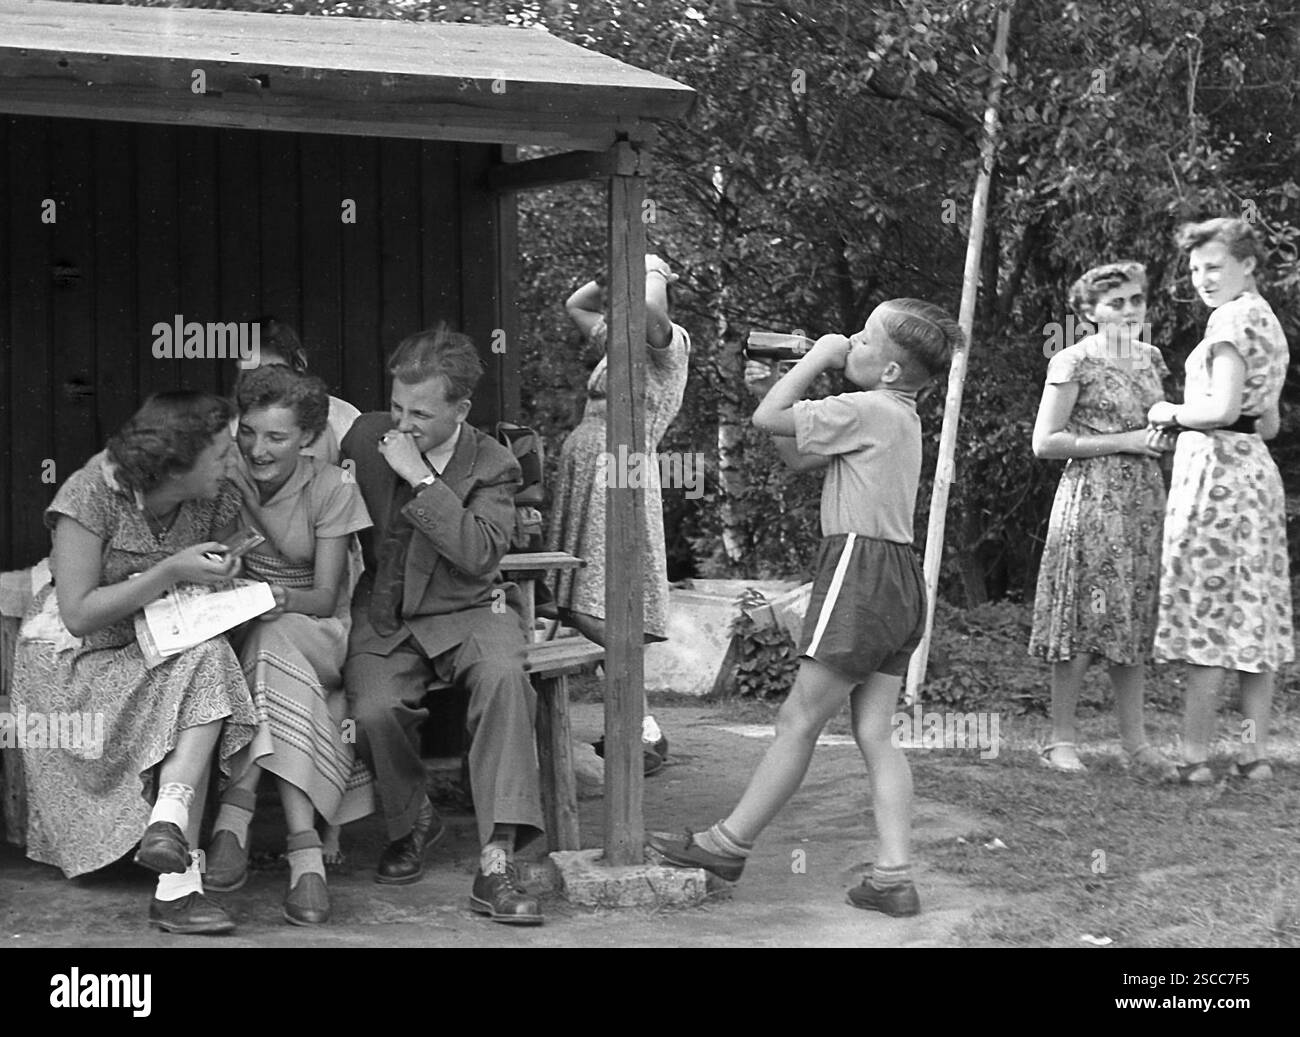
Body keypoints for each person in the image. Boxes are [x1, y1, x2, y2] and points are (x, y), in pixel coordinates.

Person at [649, 299, 959, 918]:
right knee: (875, 732)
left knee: (797, 721)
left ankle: (727, 844)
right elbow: (797, 452)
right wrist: (775, 379)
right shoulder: (894, 415)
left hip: (859, 573)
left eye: (863, 339)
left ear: (892, 372)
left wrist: (816, 357)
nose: (849, 342)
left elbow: (769, 419)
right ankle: (894, 876)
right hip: (899, 580)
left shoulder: (867, 406)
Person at [11, 392, 262, 935]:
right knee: (203, 668)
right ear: (175, 466)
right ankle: (176, 884)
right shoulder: (91, 494)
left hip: (159, 644)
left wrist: (221, 571)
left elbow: (207, 567)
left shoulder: (214, 499)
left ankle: (168, 823)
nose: (231, 463)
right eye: (219, 455)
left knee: (209, 658)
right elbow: (77, 614)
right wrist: (170, 571)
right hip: (75, 664)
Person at [342, 324, 545, 925]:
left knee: (506, 679)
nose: (402, 426)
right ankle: (413, 821)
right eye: (397, 408)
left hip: (471, 609)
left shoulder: (493, 463)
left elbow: (480, 554)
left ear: (461, 408)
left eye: (421, 415)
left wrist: (422, 479)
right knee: (374, 708)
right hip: (387, 612)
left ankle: (497, 860)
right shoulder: (363, 436)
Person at [202, 365, 375, 925]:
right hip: (251, 629)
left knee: (270, 639)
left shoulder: (332, 486)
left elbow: (326, 596)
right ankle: (306, 854)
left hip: (317, 629)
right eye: (248, 432)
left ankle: (234, 815)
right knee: (264, 651)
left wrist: (272, 596)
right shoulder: (226, 479)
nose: (257, 448)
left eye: (276, 436)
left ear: (306, 438)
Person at [1147, 217, 1292, 784]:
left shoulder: (1230, 318)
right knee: (1252, 611)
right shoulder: (1269, 321)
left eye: (1215, 266)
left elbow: (1223, 410)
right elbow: (1270, 422)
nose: (1204, 278)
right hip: (1255, 470)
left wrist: (1170, 413)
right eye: (1196, 269)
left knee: (1209, 614)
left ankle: (1195, 758)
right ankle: (1254, 758)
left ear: (1248, 264)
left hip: (1221, 477)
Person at [1028, 262, 1179, 778]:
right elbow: (1045, 442)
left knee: (1131, 618)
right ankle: (1061, 740)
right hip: (1092, 500)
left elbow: (1157, 426)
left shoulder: (1151, 359)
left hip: (1143, 501)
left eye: (1137, 300)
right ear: (1088, 312)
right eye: (1117, 303)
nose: (1130, 311)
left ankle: (1135, 744)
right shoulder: (1073, 360)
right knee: (1080, 620)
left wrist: (1165, 437)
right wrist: (1125, 443)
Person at [546, 253, 691, 771]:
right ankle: (636, 728)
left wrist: (652, 266)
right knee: (574, 599)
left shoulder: (667, 343)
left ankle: (641, 728)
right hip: (592, 473)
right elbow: (575, 304)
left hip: (619, 476)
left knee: (593, 605)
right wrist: (612, 270)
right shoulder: (620, 334)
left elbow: (652, 305)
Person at [230, 317, 362, 465]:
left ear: (300, 362)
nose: (260, 383)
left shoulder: (345, 418)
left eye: (273, 372)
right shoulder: (231, 428)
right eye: (248, 375)